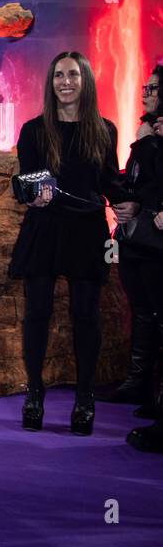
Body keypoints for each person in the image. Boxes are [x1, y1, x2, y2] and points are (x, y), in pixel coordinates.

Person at [8, 51, 124, 435]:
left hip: (88, 230)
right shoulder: (34, 130)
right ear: (51, 82)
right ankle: (35, 394)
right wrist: (32, 194)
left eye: (73, 74)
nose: (66, 82)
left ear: (85, 81)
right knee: (37, 313)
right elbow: (25, 180)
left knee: (86, 316)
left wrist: (130, 203)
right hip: (44, 229)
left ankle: (85, 400)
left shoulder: (104, 130)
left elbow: (108, 180)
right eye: (59, 75)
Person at [109, 62, 163, 411]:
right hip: (136, 237)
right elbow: (139, 182)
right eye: (145, 88)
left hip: (155, 241)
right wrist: (123, 201)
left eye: (153, 89)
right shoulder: (145, 133)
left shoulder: (154, 138)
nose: (146, 93)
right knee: (143, 311)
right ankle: (139, 382)